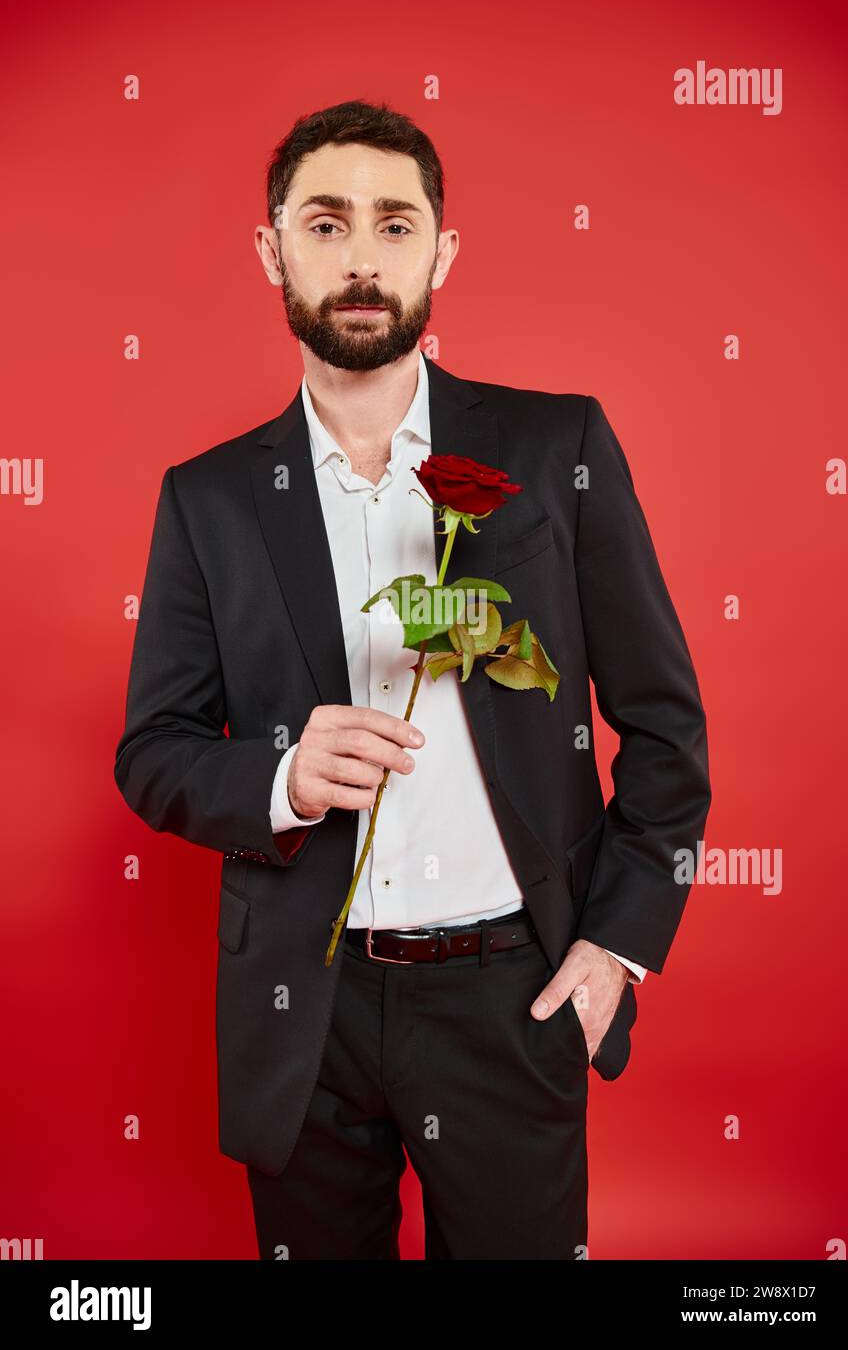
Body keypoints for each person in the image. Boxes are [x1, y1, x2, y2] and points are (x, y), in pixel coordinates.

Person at [114, 98, 711, 1260]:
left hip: (510, 999)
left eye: (394, 225)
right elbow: (153, 753)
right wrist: (283, 778)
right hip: (305, 1010)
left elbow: (665, 725)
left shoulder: (557, 450)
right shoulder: (210, 498)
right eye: (324, 223)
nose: (359, 257)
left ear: (439, 253)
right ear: (271, 250)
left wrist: (613, 951)